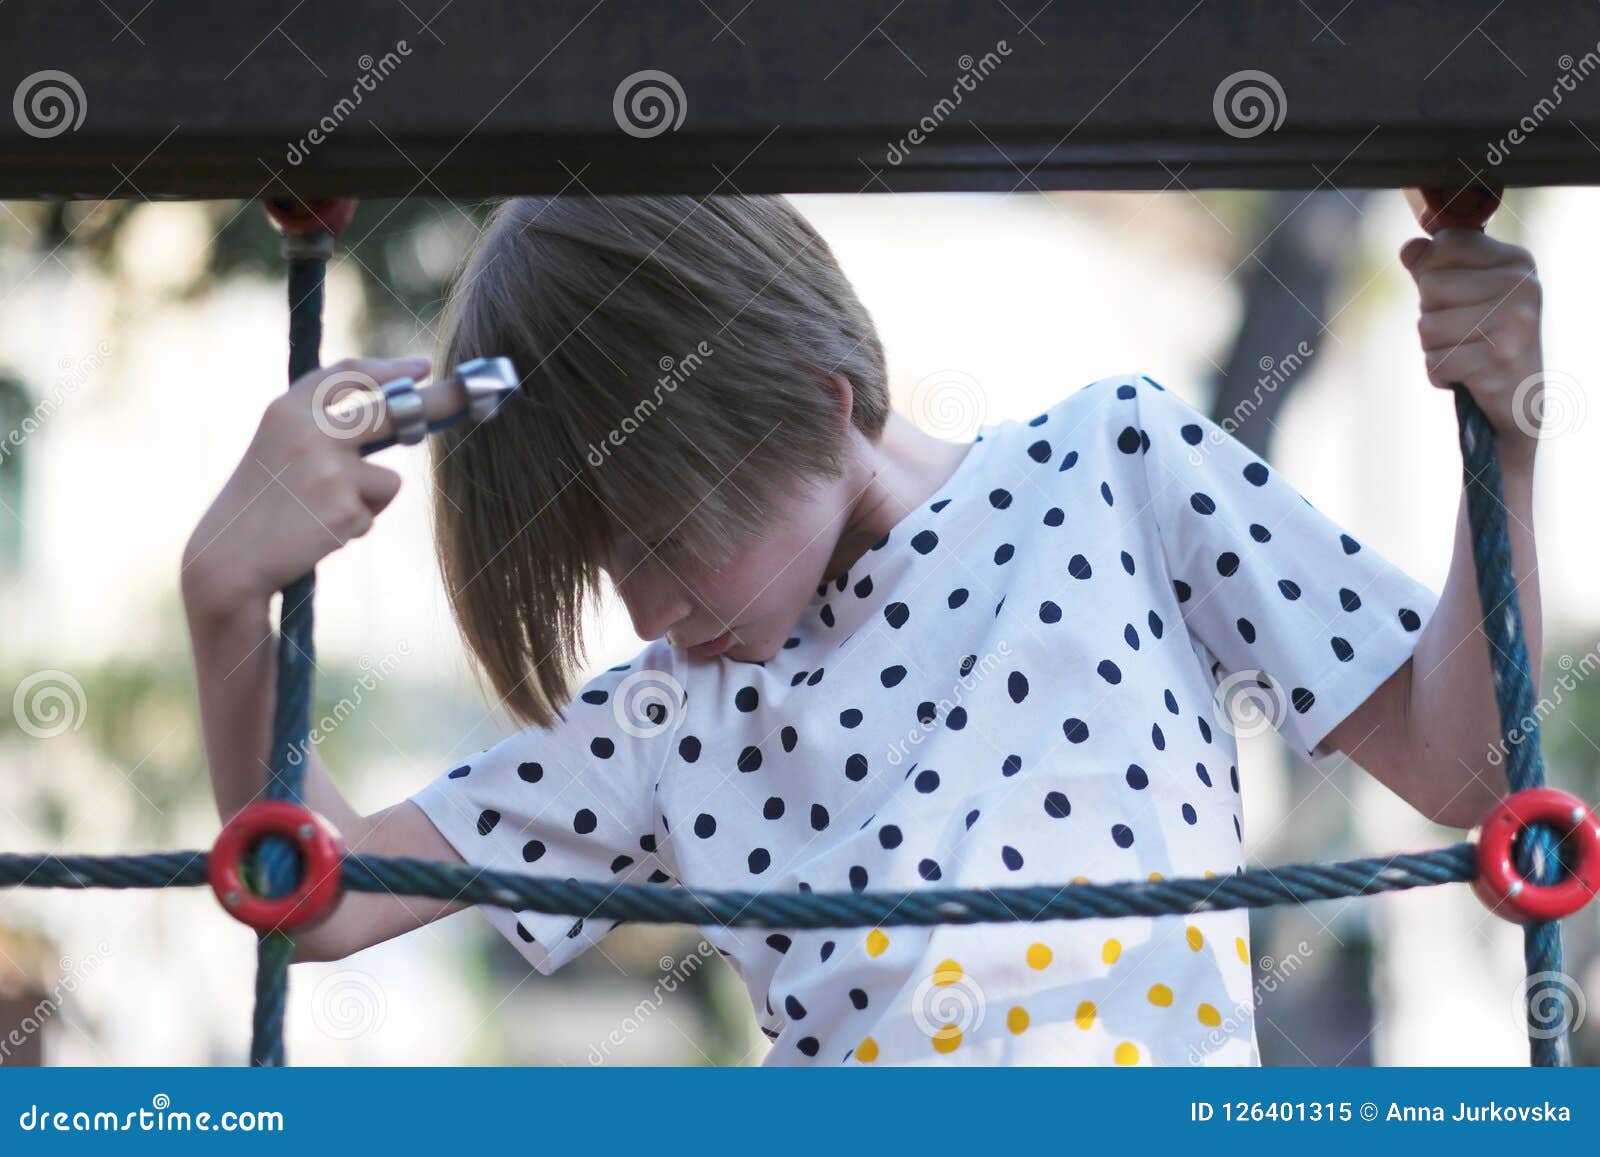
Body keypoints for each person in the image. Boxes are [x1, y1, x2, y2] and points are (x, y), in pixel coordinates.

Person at [181, 194, 1544, 1065]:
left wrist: (1508, 444)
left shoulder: (1113, 469)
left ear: (816, 402)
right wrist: (227, 598)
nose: (647, 611)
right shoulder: (674, 705)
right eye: (609, 567)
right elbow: (329, 894)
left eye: (662, 536)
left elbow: (1463, 764)